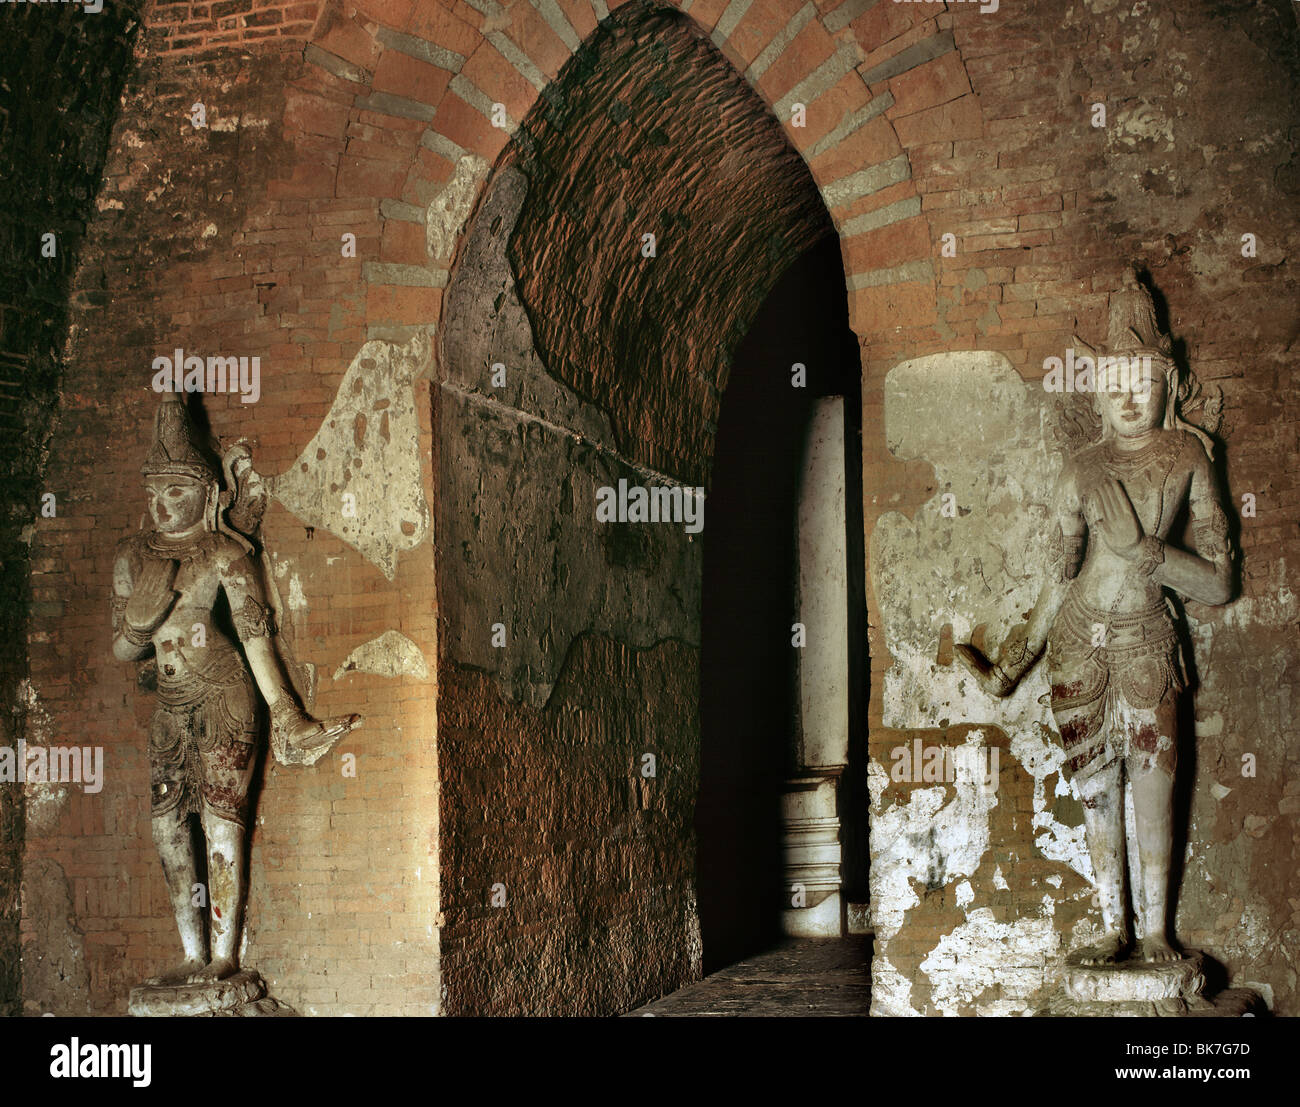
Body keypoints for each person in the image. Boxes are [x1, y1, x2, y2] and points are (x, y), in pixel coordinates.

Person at [958, 270, 1233, 965]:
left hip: (1147, 639)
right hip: (1079, 642)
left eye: (1142, 381)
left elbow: (1221, 582)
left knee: (1155, 783)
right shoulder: (1081, 468)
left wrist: (1149, 553)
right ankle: (1114, 924)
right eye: (1115, 384)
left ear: (1168, 385)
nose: (1129, 396)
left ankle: (1156, 933)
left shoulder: (1187, 455)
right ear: (1099, 393)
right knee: (1096, 792)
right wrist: (1010, 665)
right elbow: (1055, 586)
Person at [113, 390, 360, 984]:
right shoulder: (132, 555)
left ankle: (225, 955)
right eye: (156, 493)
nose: (165, 505)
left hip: (226, 696)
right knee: (167, 826)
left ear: (209, 494)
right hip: (171, 706)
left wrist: (285, 711)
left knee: (223, 822)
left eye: (178, 491)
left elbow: (255, 639)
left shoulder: (224, 554)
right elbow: (122, 651)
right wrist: (137, 624)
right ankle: (191, 953)